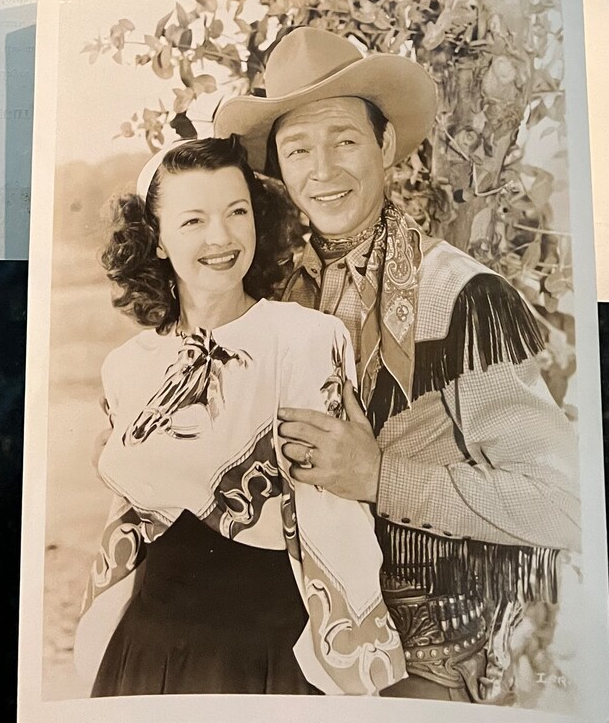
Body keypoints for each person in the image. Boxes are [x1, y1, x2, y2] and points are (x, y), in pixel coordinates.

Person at [214, 28, 581, 704]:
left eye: (345, 141)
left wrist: (379, 477)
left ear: (385, 147)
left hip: (424, 658)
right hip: (293, 643)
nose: (323, 170)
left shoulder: (465, 300)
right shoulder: (273, 295)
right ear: (280, 171)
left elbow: (564, 503)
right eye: (299, 149)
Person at [74, 135, 405, 699]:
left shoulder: (305, 339)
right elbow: (126, 524)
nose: (221, 238)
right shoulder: (126, 366)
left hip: (265, 649)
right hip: (147, 648)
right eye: (194, 220)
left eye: (236, 212)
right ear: (155, 241)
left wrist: (354, 669)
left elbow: (330, 514)